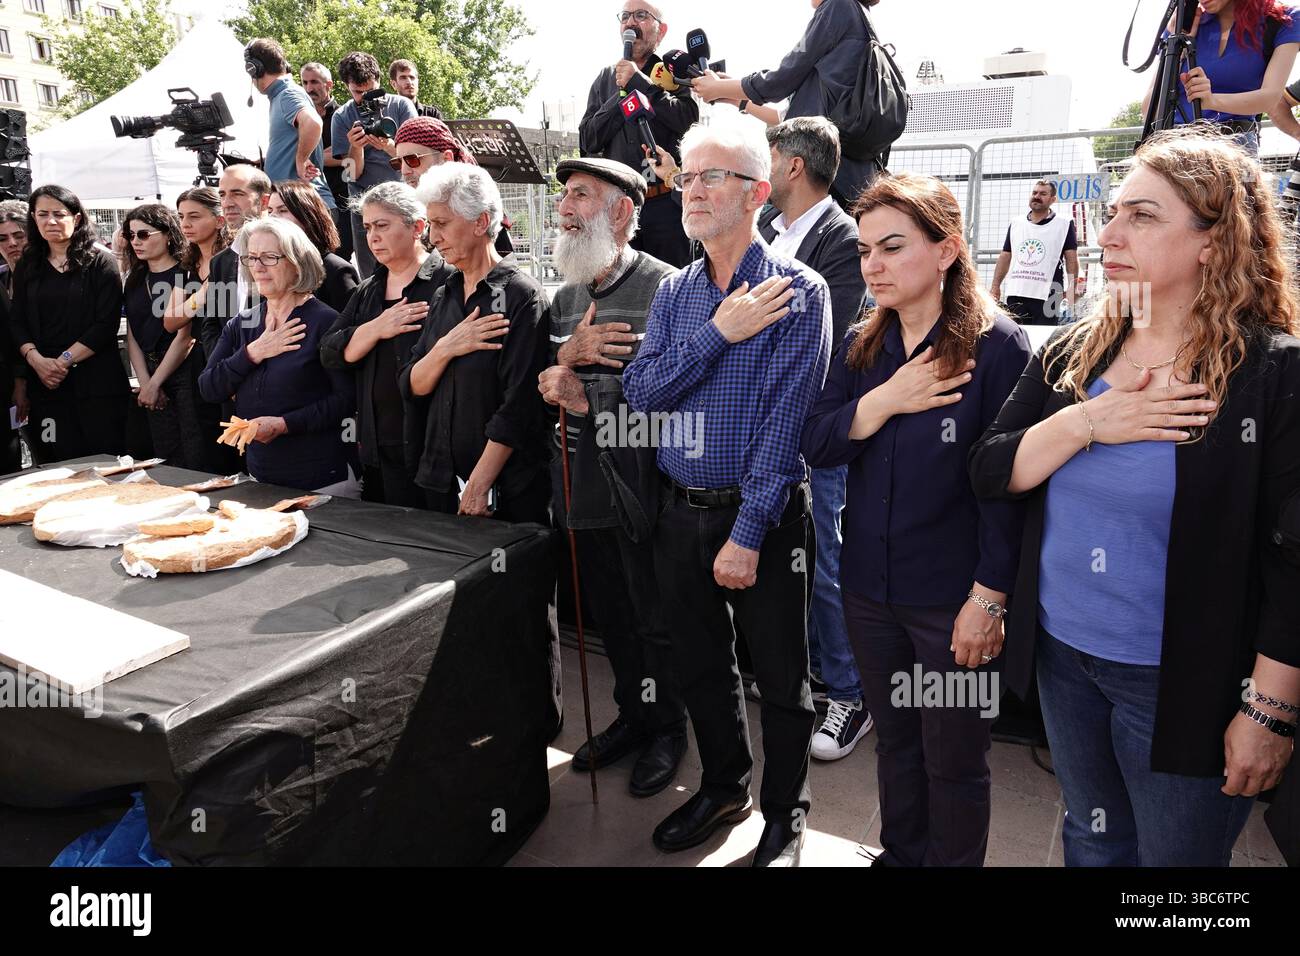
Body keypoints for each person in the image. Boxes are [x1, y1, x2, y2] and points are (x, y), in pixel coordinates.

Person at [969, 127, 1300, 866]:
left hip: (1186, 680)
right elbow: (991, 470)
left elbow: (1292, 562)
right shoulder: (1072, 350)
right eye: (1114, 212)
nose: (1109, 233)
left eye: (1142, 216)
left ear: (1214, 242)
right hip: (1064, 659)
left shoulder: (1273, 374)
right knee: (1092, 837)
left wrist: (1270, 712)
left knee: (1176, 864)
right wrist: (1088, 421)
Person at [803, 173, 1032, 866]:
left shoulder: (999, 349)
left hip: (952, 602)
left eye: (893, 246)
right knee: (897, 742)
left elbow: (1010, 492)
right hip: (871, 593)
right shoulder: (863, 345)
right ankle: (901, 856)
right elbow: (817, 441)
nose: (873, 264)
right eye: (867, 249)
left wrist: (987, 600)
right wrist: (887, 401)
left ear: (947, 250)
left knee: (954, 758)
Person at [623, 122, 832, 867]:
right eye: (688, 178)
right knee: (700, 665)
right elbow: (641, 394)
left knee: (781, 679)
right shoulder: (678, 292)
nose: (693, 190)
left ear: (757, 193)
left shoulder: (798, 293)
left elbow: (785, 429)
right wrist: (718, 333)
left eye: (712, 177)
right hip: (680, 513)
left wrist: (746, 535)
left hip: (764, 523)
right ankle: (723, 787)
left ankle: (786, 813)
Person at [536, 157, 687, 797]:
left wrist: (584, 398)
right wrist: (562, 366)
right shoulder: (566, 296)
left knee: (656, 620)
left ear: (622, 211)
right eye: (563, 196)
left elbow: (680, 407)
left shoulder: (669, 289)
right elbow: (548, 382)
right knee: (611, 620)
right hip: (580, 489)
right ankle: (633, 716)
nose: (564, 207)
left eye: (581, 196)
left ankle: (668, 732)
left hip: (646, 493)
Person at [758, 116, 872, 761]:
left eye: (766, 156)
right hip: (770, 428)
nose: (758, 168)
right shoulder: (768, 231)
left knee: (825, 565)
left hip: (816, 434)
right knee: (782, 560)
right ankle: (796, 681)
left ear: (793, 165)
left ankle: (849, 696)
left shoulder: (842, 238)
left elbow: (819, 345)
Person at [401, 162, 551, 521]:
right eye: (431, 223)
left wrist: (479, 485)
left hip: (501, 494)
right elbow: (411, 384)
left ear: (481, 222)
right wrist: (446, 348)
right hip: (439, 483)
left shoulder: (521, 296)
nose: (432, 237)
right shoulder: (443, 294)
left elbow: (520, 406)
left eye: (441, 223)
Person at [320, 181, 453, 507]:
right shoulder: (369, 289)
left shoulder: (448, 281)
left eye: (382, 225)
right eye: (367, 228)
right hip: (378, 449)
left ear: (417, 227)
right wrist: (376, 328)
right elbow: (330, 351)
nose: (373, 237)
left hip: (432, 448)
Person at [199, 217, 355, 493]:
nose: (258, 267)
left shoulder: (326, 322)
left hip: (323, 479)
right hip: (261, 475)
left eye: (269, 257)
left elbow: (346, 399)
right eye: (252, 258)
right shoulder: (242, 324)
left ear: (297, 262)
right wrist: (253, 353)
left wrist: (285, 425)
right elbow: (209, 388)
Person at [692, 0, 883, 206]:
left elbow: (780, 79)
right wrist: (735, 97)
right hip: (850, 174)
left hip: (822, 174)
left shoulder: (837, 6)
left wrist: (719, 87)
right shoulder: (860, 17)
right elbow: (787, 117)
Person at [8, 185, 128, 464]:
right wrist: (36, 360)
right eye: (42, 214)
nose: (50, 221)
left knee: (102, 461)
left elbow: (105, 324)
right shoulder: (28, 264)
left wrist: (61, 362)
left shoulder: (101, 262)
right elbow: (18, 319)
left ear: (75, 218)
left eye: (58, 214)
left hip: (95, 381)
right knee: (55, 459)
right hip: (45, 384)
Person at [579, 1, 699, 268]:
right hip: (618, 209)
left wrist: (640, 83)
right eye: (625, 17)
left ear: (661, 30)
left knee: (671, 286)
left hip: (666, 207)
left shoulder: (672, 72)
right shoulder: (604, 79)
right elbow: (588, 140)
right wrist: (621, 94)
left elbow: (688, 119)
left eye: (641, 16)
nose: (631, 23)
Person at [1142, 0, 1300, 156]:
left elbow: (1270, 98)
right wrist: (1177, 49)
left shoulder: (1283, 19)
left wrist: (1212, 101)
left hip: (1234, 151)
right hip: (1173, 149)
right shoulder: (1185, 22)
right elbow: (1149, 110)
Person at [120, 204, 207, 471]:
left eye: (144, 234)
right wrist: (147, 383)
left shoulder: (186, 273)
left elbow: (186, 337)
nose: (136, 241)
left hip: (184, 370)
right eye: (131, 235)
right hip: (149, 369)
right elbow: (131, 335)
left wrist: (155, 382)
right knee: (164, 453)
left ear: (168, 234)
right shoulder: (134, 277)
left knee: (193, 451)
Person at [331, 52, 418, 278]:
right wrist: (355, 147)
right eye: (358, 93)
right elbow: (350, 174)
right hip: (363, 207)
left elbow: (416, 159)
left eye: (370, 91)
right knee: (371, 275)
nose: (365, 98)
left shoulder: (402, 106)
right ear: (346, 87)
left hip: (402, 202)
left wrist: (390, 146)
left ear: (379, 80)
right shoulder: (342, 116)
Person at [163, 185, 228, 472]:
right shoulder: (186, 266)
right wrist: (201, 295)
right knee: (202, 443)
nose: (186, 224)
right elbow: (171, 321)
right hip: (199, 361)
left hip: (230, 356)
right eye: (181, 217)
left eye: (195, 216)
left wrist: (190, 303)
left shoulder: (235, 260)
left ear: (219, 218)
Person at [392, 117, 516, 257]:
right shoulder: (405, 215)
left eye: (412, 159)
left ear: (446, 158)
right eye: (398, 162)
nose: (404, 170)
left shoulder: (477, 214)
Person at [245, 38, 335, 211]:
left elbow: (313, 123)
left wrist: (301, 161)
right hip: (298, 207)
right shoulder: (283, 94)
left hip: (302, 208)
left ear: (254, 68)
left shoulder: (287, 94)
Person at [199, 164, 272, 361]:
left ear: (264, 201)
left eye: (237, 194)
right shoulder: (221, 262)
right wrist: (225, 368)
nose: (227, 202)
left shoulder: (284, 255)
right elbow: (212, 323)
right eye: (222, 194)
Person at [990, 180, 1080, 326]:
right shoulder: (1016, 223)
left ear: (1053, 199)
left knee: (1044, 340)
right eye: (1034, 193)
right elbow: (1005, 255)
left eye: (1043, 194)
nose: (1037, 196)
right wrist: (995, 286)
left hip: (1050, 294)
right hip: (1017, 292)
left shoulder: (1064, 223)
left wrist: (1072, 287)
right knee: (1017, 337)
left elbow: (1071, 258)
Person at [269, 179, 359, 312]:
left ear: (307, 215)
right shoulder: (271, 264)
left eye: (283, 210)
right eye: (269, 210)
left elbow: (350, 328)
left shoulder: (336, 270)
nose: (273, 217)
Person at [301, 61, 354, 264]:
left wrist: (311, 158)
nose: (309, 88)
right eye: (305, 82)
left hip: (342, 199)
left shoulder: (343, 116)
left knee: (338, 260)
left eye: (314, 82)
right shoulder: (300, 118)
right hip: (310, 202)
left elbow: (349, 158)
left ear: (329, 84)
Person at [0, 200, 29, 473]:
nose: (11, 243)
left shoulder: (46, 276)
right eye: (3, 238)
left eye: (18, 236)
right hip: (8, 386)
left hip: (51, 379)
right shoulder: (2, 278)